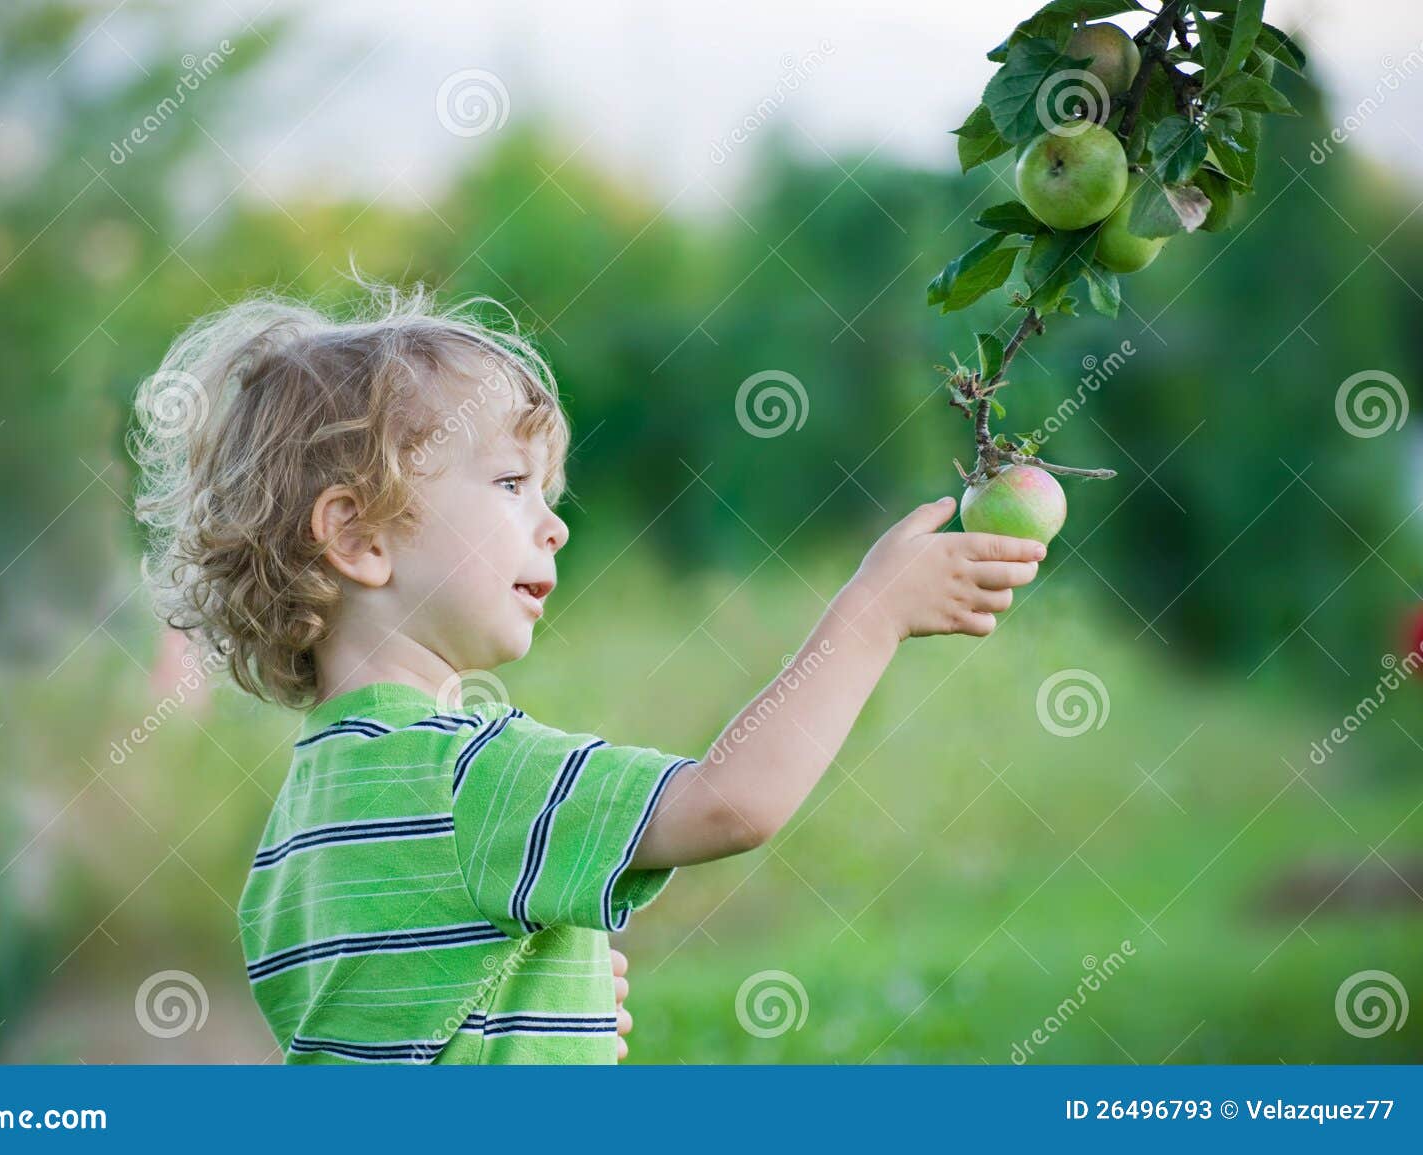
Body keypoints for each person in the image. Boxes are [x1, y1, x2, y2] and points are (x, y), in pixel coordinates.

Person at [130, 274, 1043, 1064]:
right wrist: (875, 612)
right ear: (362, 537)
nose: (553, 523)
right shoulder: (467, 776)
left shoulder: (300, 825)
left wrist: (539, 1008)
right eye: (507, 484)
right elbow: (732, 803)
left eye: (546, 493)